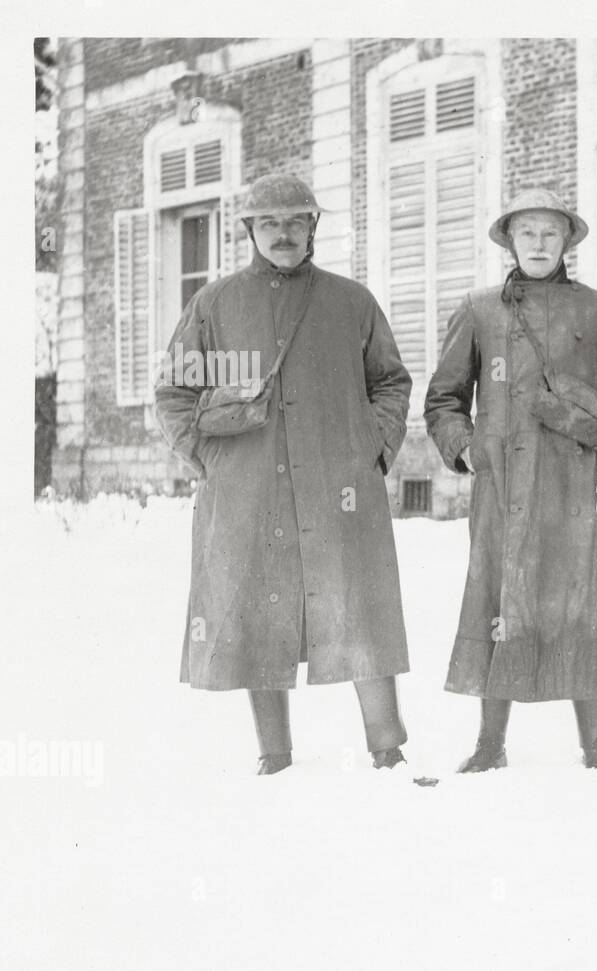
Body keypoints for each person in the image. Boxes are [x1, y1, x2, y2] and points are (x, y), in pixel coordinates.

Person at [154, 173, 415, 777]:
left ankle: (387, 746)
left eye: (296, 221)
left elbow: (391, 381)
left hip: (340, 481)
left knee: (361, 603)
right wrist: (206, 458)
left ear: (313, 228)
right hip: (247, 482)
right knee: (253, 605)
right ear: (248, 230)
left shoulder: (353, 302)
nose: (283, 234)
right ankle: (274, 753)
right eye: (269, 223)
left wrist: (374, 448)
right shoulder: (213, 305)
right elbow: (173, 392)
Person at [424, 189, 597, 785]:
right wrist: (465, 447)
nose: (536, 243)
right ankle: (489, 743)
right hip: (506, 489)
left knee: (587, 604)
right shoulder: (479, 311)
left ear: (566, 243)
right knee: (499, 600)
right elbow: (444, 399)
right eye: (525, 233)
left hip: (582, 487)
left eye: (548, 233)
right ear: (509, 241)